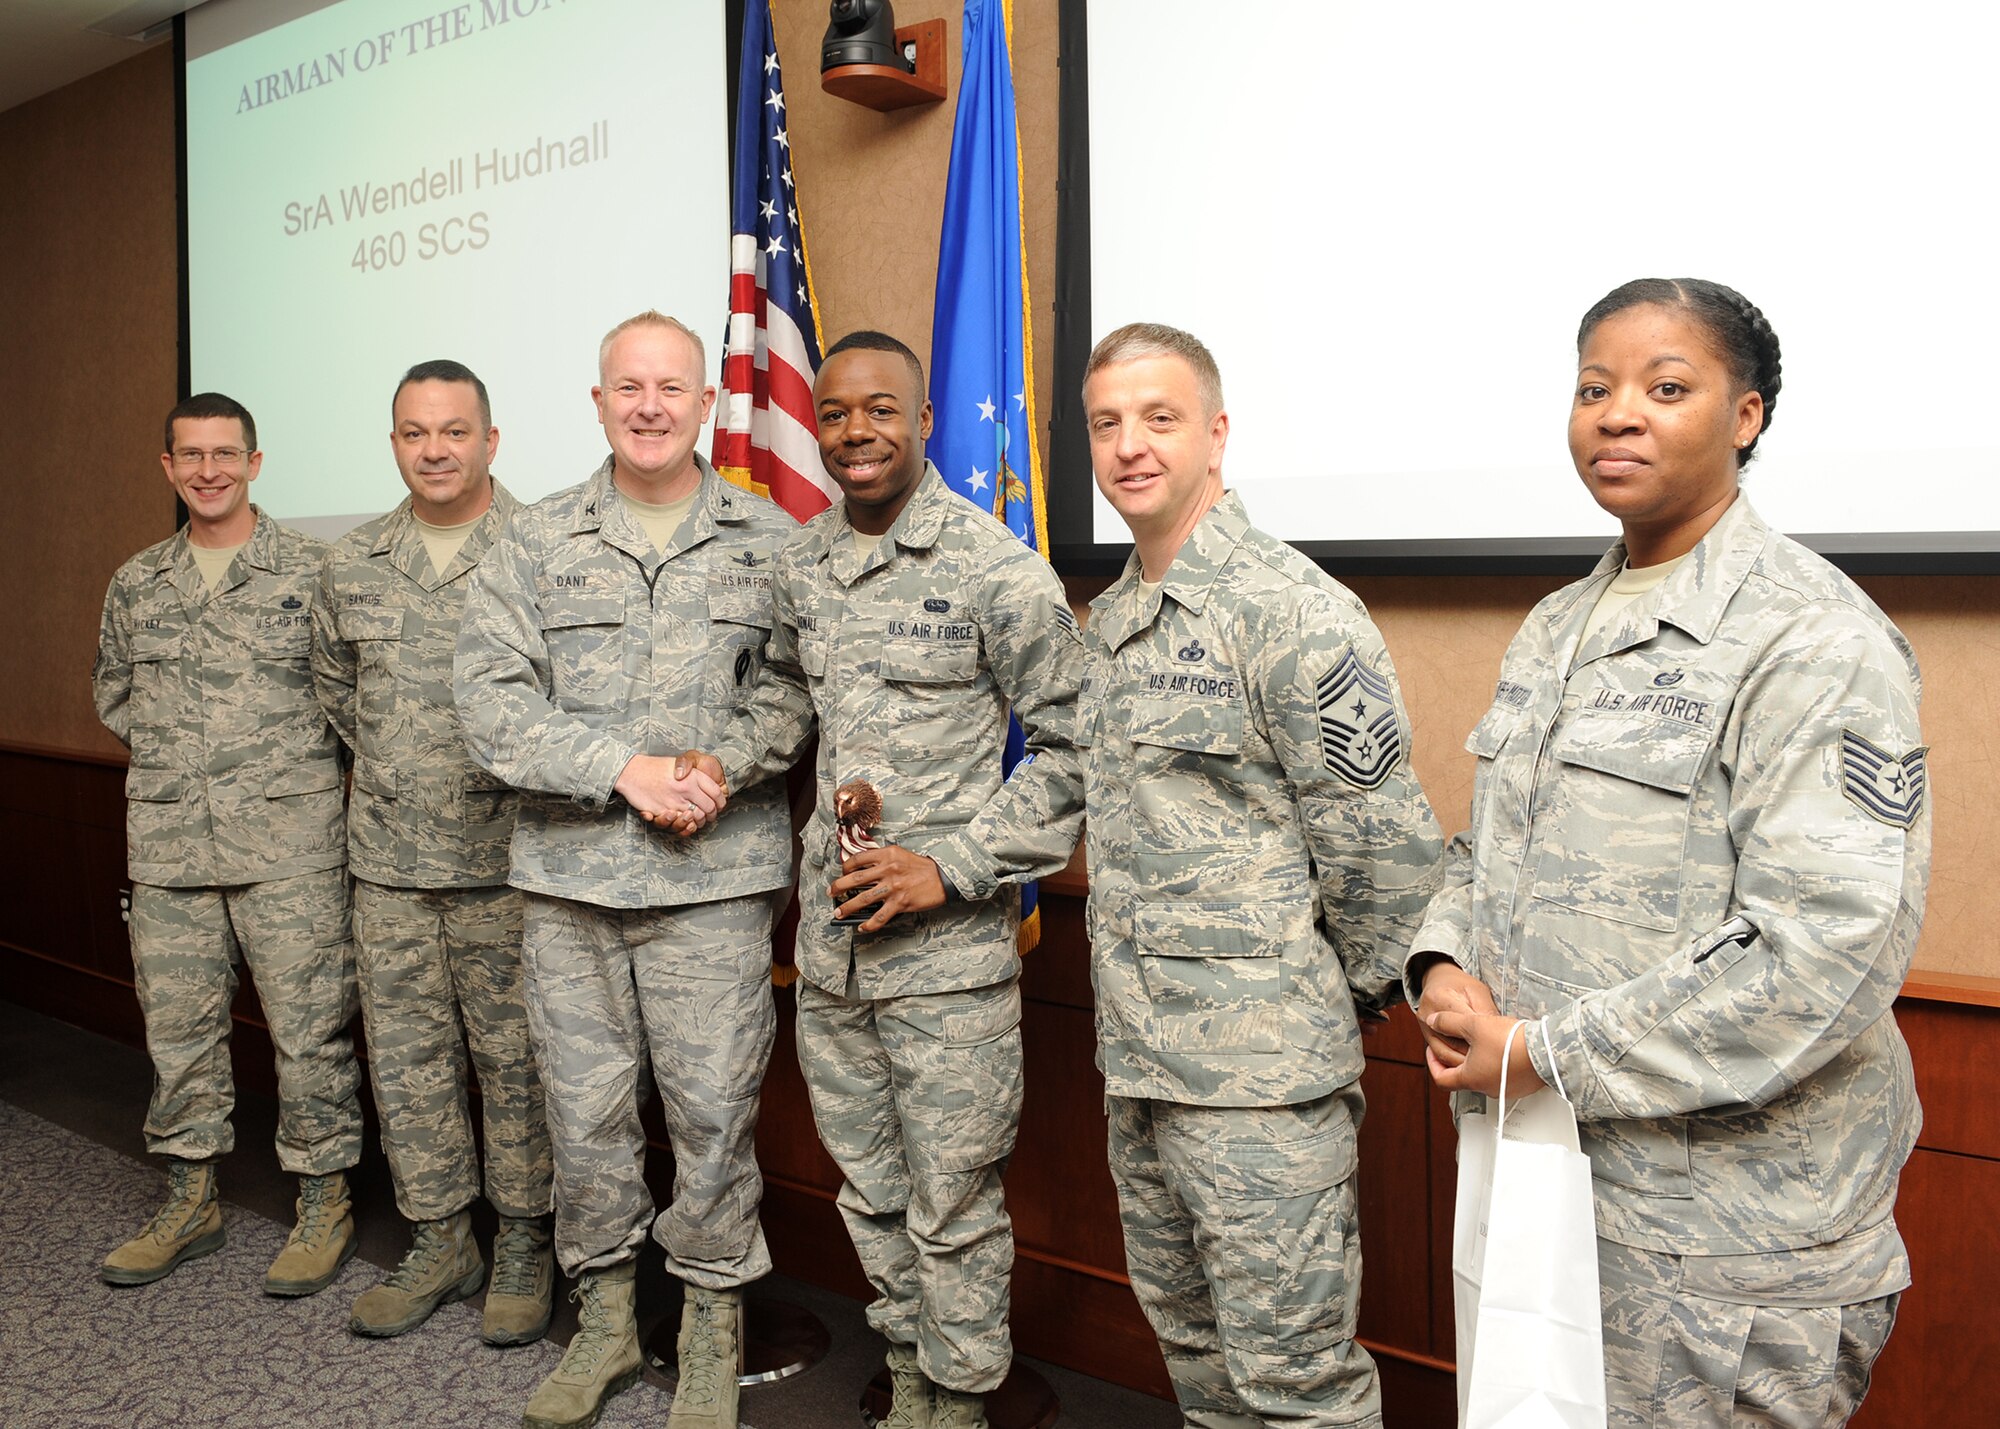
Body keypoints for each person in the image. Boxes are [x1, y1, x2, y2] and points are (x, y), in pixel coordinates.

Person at [1414, 279, 1927, 1428]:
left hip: (1724, 1242)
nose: (1615, 414)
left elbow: (1821, 949)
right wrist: (1442, 964)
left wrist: (1546, 1051)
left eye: (1664, 387)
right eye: (1592, 387)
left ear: (1743, 416)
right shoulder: (1560, 623)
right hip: (1552, 1187)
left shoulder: (1812, 636)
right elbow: (1487, 846)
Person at [685, 330, 1085, 1429]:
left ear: (919, 421)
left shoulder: (994, 568)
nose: (854, 431)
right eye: (834, 414)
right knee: (869, 1188)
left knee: (951, 1202)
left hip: (945, 960)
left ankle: (959, 1399)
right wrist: (721, 762)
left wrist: (948, 863)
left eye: (879, 410)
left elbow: (1076, 747)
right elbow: (782, 704)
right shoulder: (804, 565)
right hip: (833, 948)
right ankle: (908, 1368)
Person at [1076, 323, 1444, 1426]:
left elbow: (1376, 843)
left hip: (1258, 1080)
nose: (1129, 446)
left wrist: (1356, 1000)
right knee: (1194, 1353)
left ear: (1215, 434)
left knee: (1294, 1379)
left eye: (1159, 417)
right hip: (1139, 1061)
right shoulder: (1116, 616)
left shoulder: (1291, 611)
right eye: (1106, 422)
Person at [454, 312, 792, 1429]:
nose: (649, 405)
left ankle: (705, 1326)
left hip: (715, 889)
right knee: (584, 1116)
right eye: (627, 386)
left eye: (671, 387)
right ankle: (602, 1323)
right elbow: (489, 704)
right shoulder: (534, 539)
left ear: (707, 405)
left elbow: (795, 689)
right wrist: (626, 770)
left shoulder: (772, 538)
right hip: (570, 888)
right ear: (597, 402)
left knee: (711, 1116)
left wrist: (716, 766)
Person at [92, 393, 364, 1297]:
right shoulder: (137, 583)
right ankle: (190, 1196)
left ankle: (324, 1202)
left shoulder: (315, 570)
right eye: (190, 455)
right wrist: (191, 768)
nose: (208, 470)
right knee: (179, 1035)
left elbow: (348, 700)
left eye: (225, 453)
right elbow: (117, 697)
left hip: (290, 847)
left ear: (255, 461)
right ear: (167, 467)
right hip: (171, 850)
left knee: (310, 1035)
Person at [312, 360, 554, 1345]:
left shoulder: (539, 548)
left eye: (454, 431)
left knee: (517, 1064)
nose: (435, 449)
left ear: (490, 441)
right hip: (390, 868)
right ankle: (439, 1235)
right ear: (395, 443)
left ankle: (525, 1240)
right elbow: (338, 691)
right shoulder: (354, 560)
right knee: (408, 1066)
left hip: (508, 864)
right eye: (415, 432)